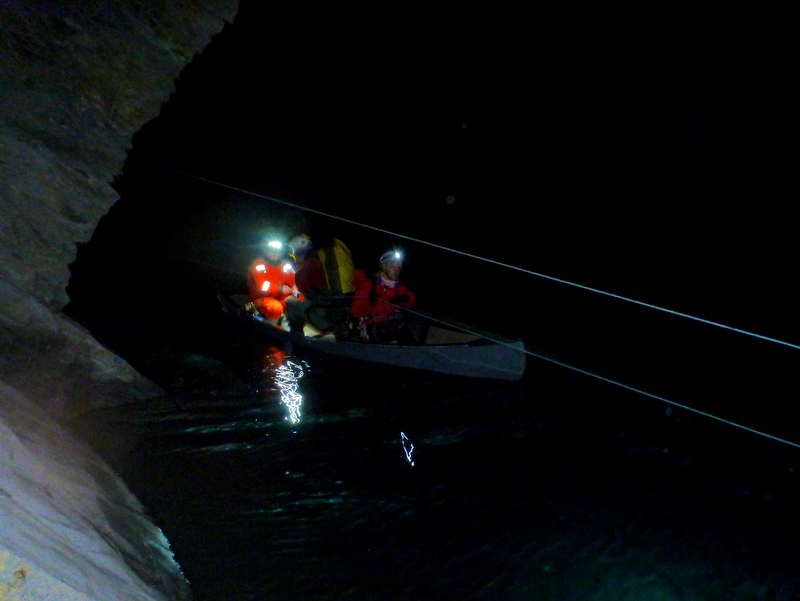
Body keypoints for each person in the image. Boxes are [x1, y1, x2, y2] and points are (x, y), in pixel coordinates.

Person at [289, 234, 367, 337]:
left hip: (323, 308)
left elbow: (302, 289)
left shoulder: (307, 265)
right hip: (343, 302)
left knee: (290, 301)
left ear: (298, 253)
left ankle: (296, 336)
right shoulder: (323, 258)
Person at [350, 249, 421, 344]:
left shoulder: (399, 287)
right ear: (384, 268)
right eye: (393, 268)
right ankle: (413, 350)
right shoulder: (370, 286)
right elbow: (355, 312)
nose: (396, 272)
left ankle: (418, 347)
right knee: (396, 326)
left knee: (421, 317)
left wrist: (406, 299)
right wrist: (370, 303)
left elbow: (411, 297)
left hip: (394, 323)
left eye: (398, 268)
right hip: (374, 326)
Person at [246, 238, 307, 333]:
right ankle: (271, 333)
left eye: (277, 251)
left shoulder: (285, 265)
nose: (275, 253)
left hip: (280, 297)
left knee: (299, 299)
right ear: (266, 251)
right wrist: (281, 288)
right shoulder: (259, 265)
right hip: (261, 298)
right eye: (272, 251)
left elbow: (293, 280)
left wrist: (295, 288)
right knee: (275, 308)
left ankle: (296, 333)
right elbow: (262, 287)